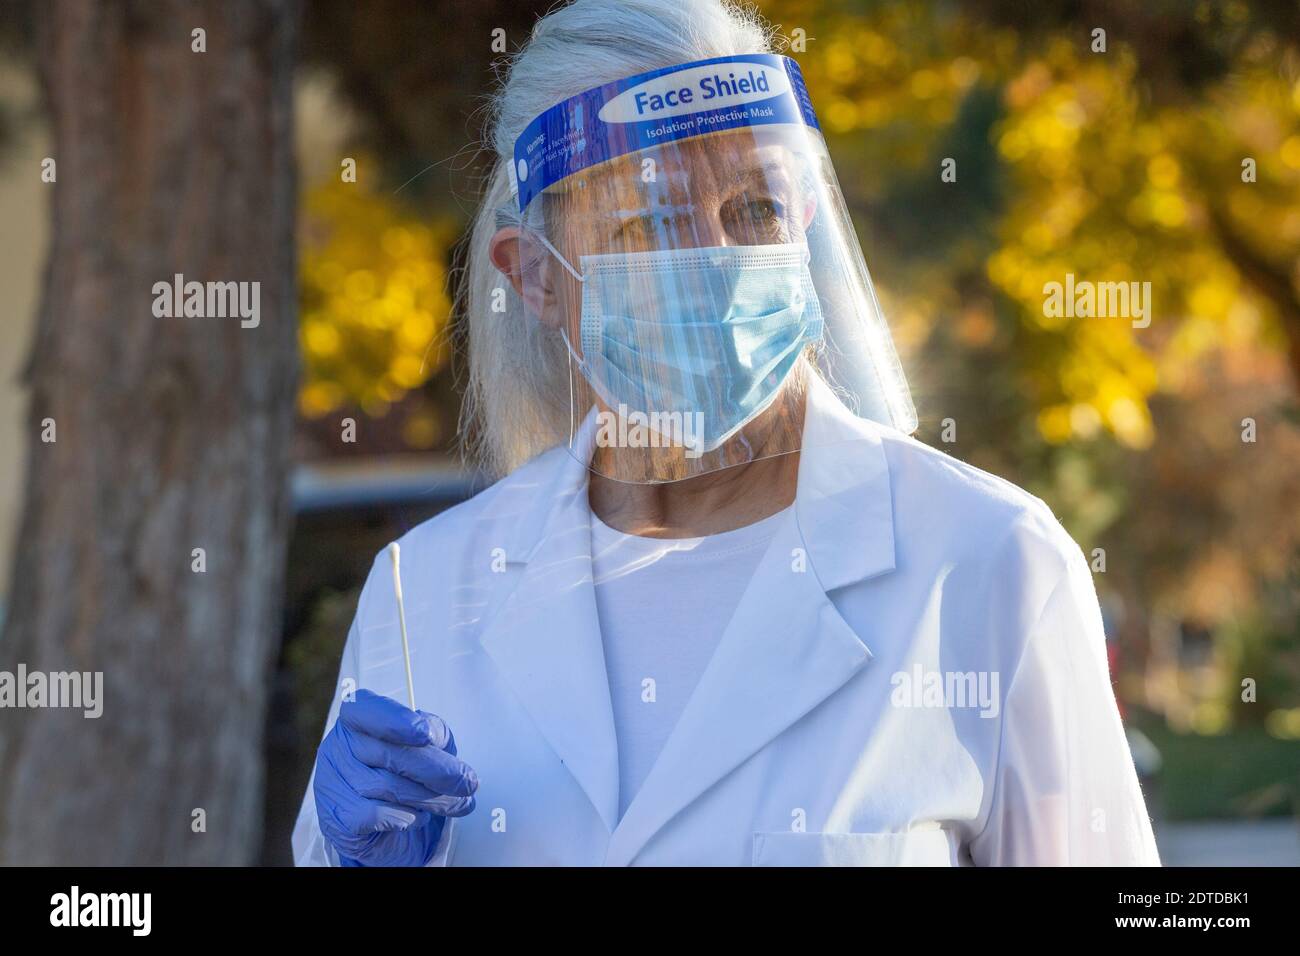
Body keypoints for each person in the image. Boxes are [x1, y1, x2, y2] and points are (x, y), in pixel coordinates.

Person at [293, 0, 1160, 867]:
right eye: (648, 223)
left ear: (807, 221)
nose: (718, 262)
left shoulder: (986, 560)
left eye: (753, 210)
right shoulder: (428, 594)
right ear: (535, 278)